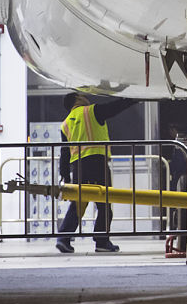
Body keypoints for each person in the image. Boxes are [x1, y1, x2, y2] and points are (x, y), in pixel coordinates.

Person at [55, 92, 138, 254]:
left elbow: (64, 153)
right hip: (97, 162)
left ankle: (63, 238)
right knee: (105, 203)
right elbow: (115, 108)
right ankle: (101, 241)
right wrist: (132, 99)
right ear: (77, 99)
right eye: (82, 95)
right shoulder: (91, 111)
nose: (87, 97)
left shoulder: (65, 124)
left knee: (78, 203)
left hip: (78, 167)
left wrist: (64, 174)